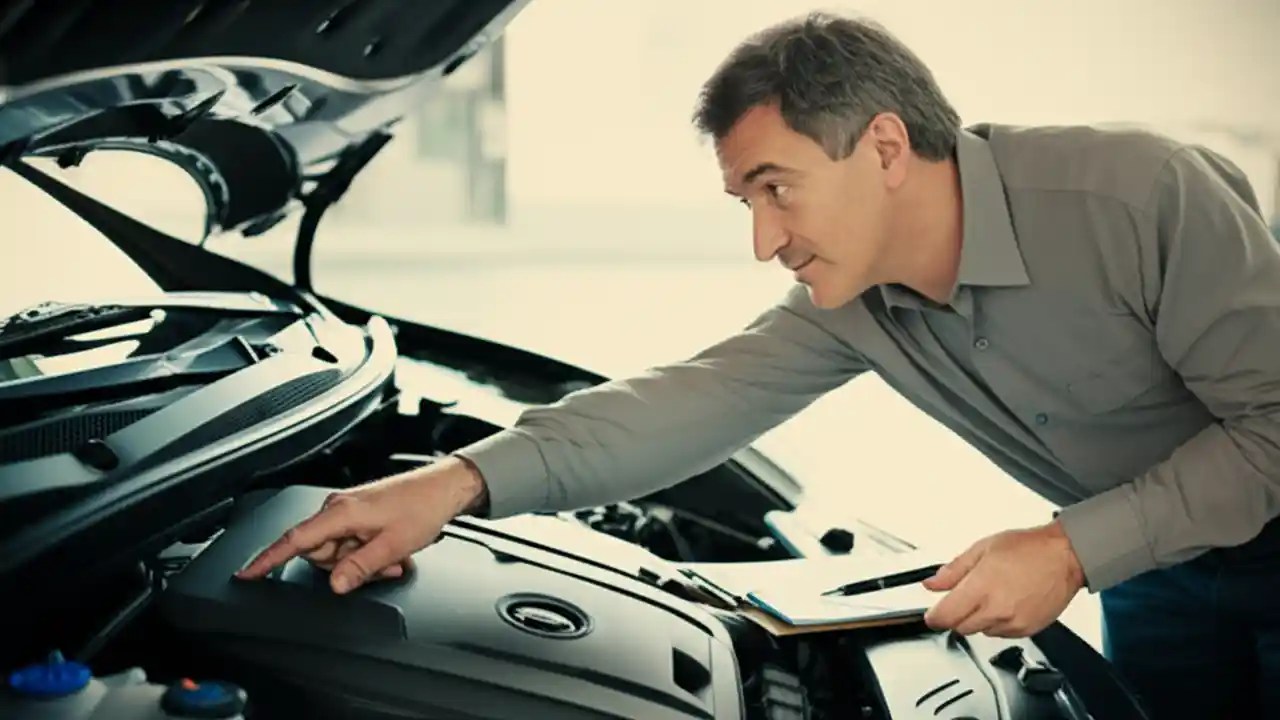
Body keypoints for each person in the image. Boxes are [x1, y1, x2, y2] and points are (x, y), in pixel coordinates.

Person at [237, 12, 1280, 719]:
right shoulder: (852, 305)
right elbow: (681, 405)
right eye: (746, 202)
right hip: (1152, 574)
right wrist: (452, 484)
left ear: (880, 147)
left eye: (776, 189)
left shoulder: (1135, 197)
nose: (762, 237)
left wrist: (1063, 548)